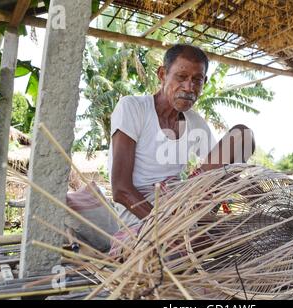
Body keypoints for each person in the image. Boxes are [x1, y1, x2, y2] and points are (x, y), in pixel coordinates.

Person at [108, 44, 255, 228]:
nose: (189, 87)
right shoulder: (133, 108)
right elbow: (121, 190)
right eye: (181, 77)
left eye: (197, 80)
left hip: (181, 201)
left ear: (204, 82)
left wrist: (243, 185)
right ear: (162, 74)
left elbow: (218, 167)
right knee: (202, 240)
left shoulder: (195, 122)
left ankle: (205, 215)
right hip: (140, 211)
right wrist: (166, 226)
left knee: (242, 135)